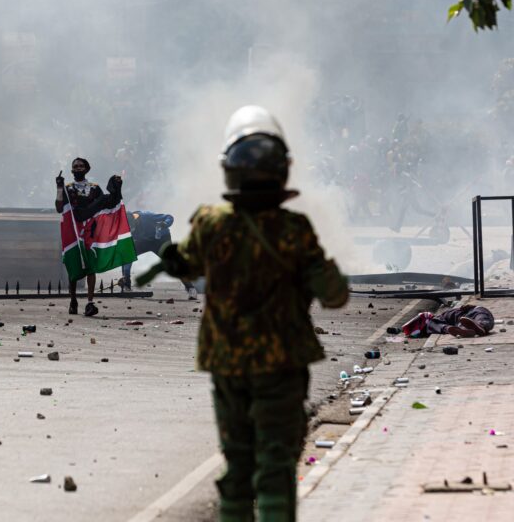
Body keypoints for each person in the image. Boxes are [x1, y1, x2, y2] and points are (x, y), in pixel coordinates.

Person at [139, 106, 348, 521]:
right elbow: (335, 295)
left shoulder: (212, 224)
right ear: (282, 170)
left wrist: (163, 254)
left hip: (229, 364)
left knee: (237, 469)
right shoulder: (295, 231)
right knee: (275, 466)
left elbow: (184, 264)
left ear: (229, 170)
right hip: (283, 364)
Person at [55, 157, 123, 316]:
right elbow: (59, 207)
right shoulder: (67, 188)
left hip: (90, 232)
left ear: (86, 169)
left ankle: (90, 303)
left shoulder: (95, 188)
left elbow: (109, 203)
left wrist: (117, 186)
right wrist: (58, 187)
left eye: (81, 166)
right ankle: (73, 300)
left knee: (91, 267)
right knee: (73, 266)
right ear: (72, 171)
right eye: (75, 166)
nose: (78, 168)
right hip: (73, 232)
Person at [119, 210, 198, 299]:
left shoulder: (147, 216)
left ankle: (191, 288)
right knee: (127, 255)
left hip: (160, 240)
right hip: (144, 241)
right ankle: (126, 285)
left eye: (132, 227)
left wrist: (164, 224)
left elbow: (169, 217)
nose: (132, 229)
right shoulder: (126, 227)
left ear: (135, 219)